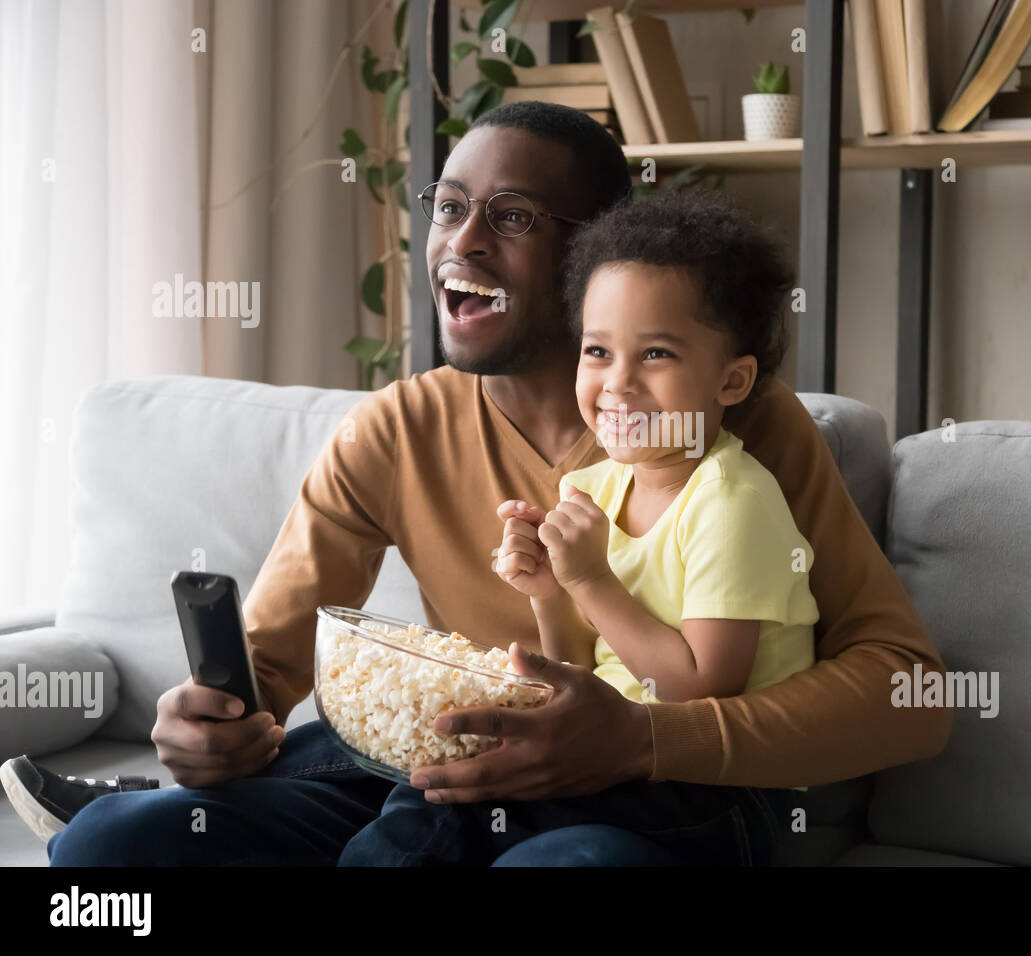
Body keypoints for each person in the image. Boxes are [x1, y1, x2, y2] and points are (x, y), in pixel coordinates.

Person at [41, 102, 950, 866]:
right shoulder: (396, 429)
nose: (460, 243)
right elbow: (268, 668)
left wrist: (642, 741)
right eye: (450, 207)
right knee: (113, 844)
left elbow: (908, 693)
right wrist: (210, 723)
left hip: (644, 803)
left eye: (512, 217)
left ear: (596, 257)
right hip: (447, 782)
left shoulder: (730, 435)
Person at [338, 189, 819, 865]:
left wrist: (590, 578)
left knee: (497, 824)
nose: (616, 384)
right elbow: (574, 666)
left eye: (655, 355)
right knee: (425, 804)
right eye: (597, 351)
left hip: (720, 790)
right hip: (612, 761)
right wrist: (547, 589)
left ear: (732, 382)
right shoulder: (592, 488)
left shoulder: (732, 503)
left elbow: (700, 689)